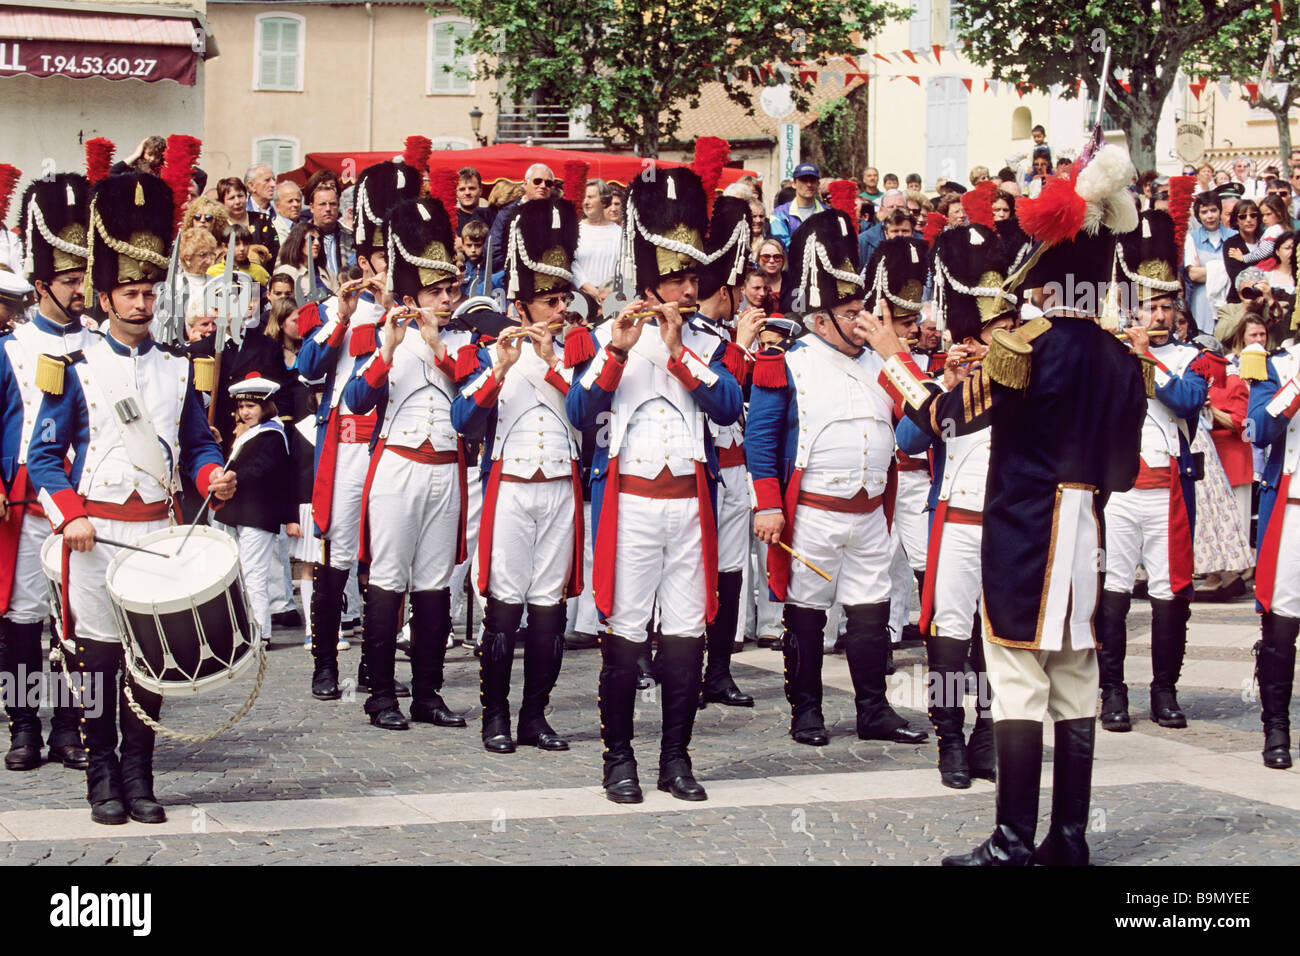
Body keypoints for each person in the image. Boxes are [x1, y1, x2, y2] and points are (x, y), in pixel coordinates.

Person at [873, 142, 1147, 866]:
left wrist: (891, 361)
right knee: (1075, 680)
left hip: (1027, 531)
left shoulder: (1028, 343)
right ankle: (1070, 839)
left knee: (1020, 681)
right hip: (1089, 528)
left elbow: (944, 419)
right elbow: (1126, 464)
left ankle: (1012, 841)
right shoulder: (1122, 358)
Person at [25, 172, 236, 825]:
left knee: (151, 664)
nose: (142, 304)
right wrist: (73, 515)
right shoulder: (76, 366)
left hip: (157, 534)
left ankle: (141, 779)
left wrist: (211, 480)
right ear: (106, 295)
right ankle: (101, 779)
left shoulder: (179, 368)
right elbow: (41, 458)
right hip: (94, 538)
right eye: (130, 292)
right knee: (99, 663)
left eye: (150, 292)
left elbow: (197, 447)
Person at [565, 167, 743, 805]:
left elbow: (726, 406)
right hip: (633, 503)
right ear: (650, 281)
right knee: (626, 635)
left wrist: (678, 353)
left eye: (693, 278)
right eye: (676, 278)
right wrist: (617, 352)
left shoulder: (708, 343)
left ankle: (677, 757)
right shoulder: (608, 338)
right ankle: (618, 758)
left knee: (685, 635)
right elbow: (581, 415)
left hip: (691, 507)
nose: (688, 288)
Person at [747, 219, 930, 750]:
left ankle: (873, 708)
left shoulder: (886, 363)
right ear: (821, 319)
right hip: (812, 512)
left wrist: (920, 377)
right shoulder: (787, 362)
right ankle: (806, 711)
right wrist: (766, 505)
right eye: (850, 314)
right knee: (806, 611)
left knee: (871, 610)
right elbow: (760, 438)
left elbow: (916, 429)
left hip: (871, 510)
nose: (862, 322)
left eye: (863, 311)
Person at [452, 197, 584, 753]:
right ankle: (495, 715)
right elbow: (465, 419)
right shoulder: (485, 350)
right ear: (523, 304)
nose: (558, 308)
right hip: (508, 486)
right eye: (548, 301)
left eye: (563, 299)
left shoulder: (582, 349)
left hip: (559, 485)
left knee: (549, 608)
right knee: (504, 605)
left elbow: (588, 409)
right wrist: (500, 369)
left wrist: (554, 359)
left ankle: (536, 716)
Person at [892, 223, 1015, 788]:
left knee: (995, 637)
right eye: (997, 329)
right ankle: (949, 740)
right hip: (957, 521)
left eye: (1009, 327)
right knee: (949, 633)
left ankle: (988, 734)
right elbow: (911, 440)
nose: (1005, 337)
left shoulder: (1024, 379)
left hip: (1009, 523)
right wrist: (944, 382)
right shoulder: (949, 381)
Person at [341, 197, 470, 731]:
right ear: (414, 293)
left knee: (437, 582)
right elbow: (355, 399)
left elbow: (475, 394)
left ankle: (428, 692)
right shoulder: (381, 335)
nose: (445, 299)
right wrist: (389, 350)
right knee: (389, 578)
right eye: (435, 291)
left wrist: (438, 343)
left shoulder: (468, 339)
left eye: (450, 290)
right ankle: (379, 695)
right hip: (397, 465)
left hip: (446, 468)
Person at [293, 158, 417, 701]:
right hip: (346, 445)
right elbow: (308, 369)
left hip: (395, 444)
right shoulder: (337, 309)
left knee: (385, 558)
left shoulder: (418, 315)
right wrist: (342, 318)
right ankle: (325, 661)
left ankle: (377, 663)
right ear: (367, 260)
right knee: (337, 556)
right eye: (384, 260)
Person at [1097, 211, 1214, 734]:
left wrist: (1149, 361)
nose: (1160, 314)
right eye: (1151, 306)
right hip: (1121, 490)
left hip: (1168, 492)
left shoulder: (1191, 359)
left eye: (1167, 305)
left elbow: (1188, 401)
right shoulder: (1113, 355)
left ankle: (1165, 690)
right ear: (1134, 308)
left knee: (1170, 592)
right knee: (1116, 588)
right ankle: (1112, 690)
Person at [0, 171, 96, 773]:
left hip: (84, 499)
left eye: (83, 276)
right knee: (23, 618)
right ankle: (24, 726)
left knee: (77, 620)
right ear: (42, 286)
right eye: (70, 279)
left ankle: (68, 727)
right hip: (25, 498)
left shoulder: (99, 341)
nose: (81, 288)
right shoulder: (8, 348)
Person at [689, 196, 762, 708]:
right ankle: (676, 665)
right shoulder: (699, 338)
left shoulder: (723, 335)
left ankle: (718, 670)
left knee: (730, 571)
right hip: (705, 468)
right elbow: (720, 399)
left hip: (737, 472)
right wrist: (737, 345)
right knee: (691, 568)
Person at [1242, 313, 1300, 768]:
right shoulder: (1273, 364)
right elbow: (1259, 429)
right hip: (1293, 505)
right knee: (1281, 621)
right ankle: (1275, 729)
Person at [218, 375, 299, 646]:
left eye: (251, 406)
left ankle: (260, 631)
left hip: (258, 514)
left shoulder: (272, 435)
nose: (245, 412)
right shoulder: (252, 434)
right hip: (243, 513)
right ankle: (249, 629)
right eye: (241, 406)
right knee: (244, 572)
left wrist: (230, 476)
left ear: (266, 407)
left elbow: (263, 471)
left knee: (254, 573)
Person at [488, 164, 556, 275]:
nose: (543, 186)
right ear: (525, 184)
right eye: (537, 181)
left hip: (547, 279)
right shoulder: (507, 214)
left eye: (548, 183)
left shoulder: (557, 215)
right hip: (513, 278)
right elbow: (492, 252)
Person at [1185, 192, 1235, 332]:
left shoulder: (1234, 236)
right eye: (1204, 212)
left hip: (1229, 301)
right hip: (1202, 304)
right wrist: (1226, 268)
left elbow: (1237, 272)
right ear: (1198, 215)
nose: (1210, 216)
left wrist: (1205, 270)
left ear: (1220, 211)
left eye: (1213, 210)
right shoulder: (1191, 238)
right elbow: (1193, 275)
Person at [573, 178, 621, 304]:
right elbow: (571, 264)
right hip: (580, 299)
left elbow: (623, 267)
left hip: (612, 299)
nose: (586, 202)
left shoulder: (620, 233)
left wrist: (608, 293)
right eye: (584, 198)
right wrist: (593, 291)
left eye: (590, 197)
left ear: (604, 201)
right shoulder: (574, 231)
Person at [770, 163, 827, 245]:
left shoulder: (828, 213)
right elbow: (781, 245)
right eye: (803, 180)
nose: (809, 184)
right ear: (793, 184)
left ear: (818, 184)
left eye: (812, 180)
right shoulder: (780, 214)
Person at [455, 167, 493, 234]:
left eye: (472, 188)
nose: (467, 193)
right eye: (462, 189)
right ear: (456, 192)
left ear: (480, 190)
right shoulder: (450, 220)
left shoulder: (492, 216)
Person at [752, 236, 786, 302]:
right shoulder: (750, 284)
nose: (771, 261)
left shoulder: (793, 283)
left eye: (777, 257)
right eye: (766, 257)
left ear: (783, 260)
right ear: (758, 259)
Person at [272, 180, 303, 246]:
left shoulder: (307, 227)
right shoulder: (273, 230)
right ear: (277, 206)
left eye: (298, 200)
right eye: (290, 201)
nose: (296, 204)